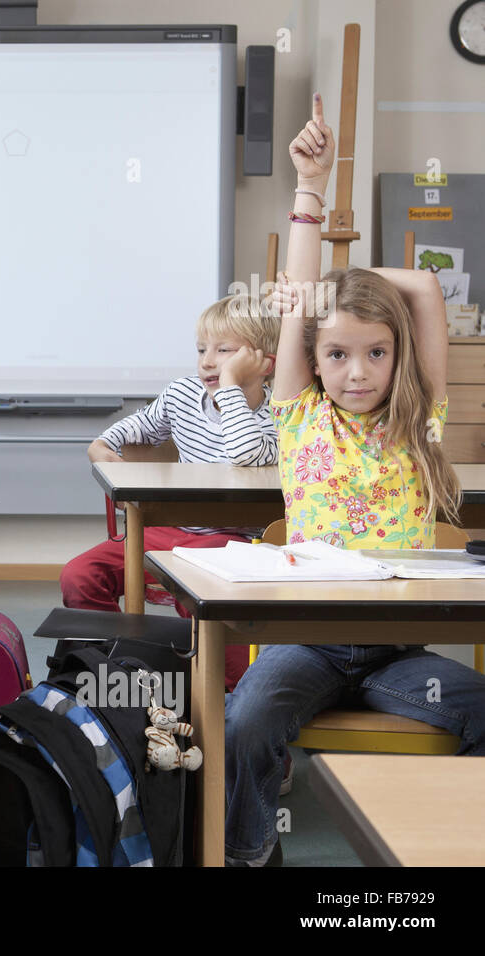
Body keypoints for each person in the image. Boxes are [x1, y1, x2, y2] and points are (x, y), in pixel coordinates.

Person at [225, 93, 485, 866]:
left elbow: (427, 292)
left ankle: (452, 846)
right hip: (306, 643)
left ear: (398, 357)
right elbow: (302, 303)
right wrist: (310, 186)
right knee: (245, 722)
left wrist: (350, 281)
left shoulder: (417, 420)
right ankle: (248, 853)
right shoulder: (299, 415)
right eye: (336, 354)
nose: (357, 371)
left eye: (375, 352)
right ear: (311, 361)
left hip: (395, 655)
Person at [60, 292, 281, 691]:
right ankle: (111, 671)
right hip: (172, 531)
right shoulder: (182, 395)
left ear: (265, 363)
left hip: (233, 542)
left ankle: (230, 696)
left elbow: (246, 452)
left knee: (197, 588)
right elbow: (120, 436)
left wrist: (229, 388)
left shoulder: (279, 417)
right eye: (202, 349)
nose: (207, 361)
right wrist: (108, 456)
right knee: (81, 574)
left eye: (224, 351)